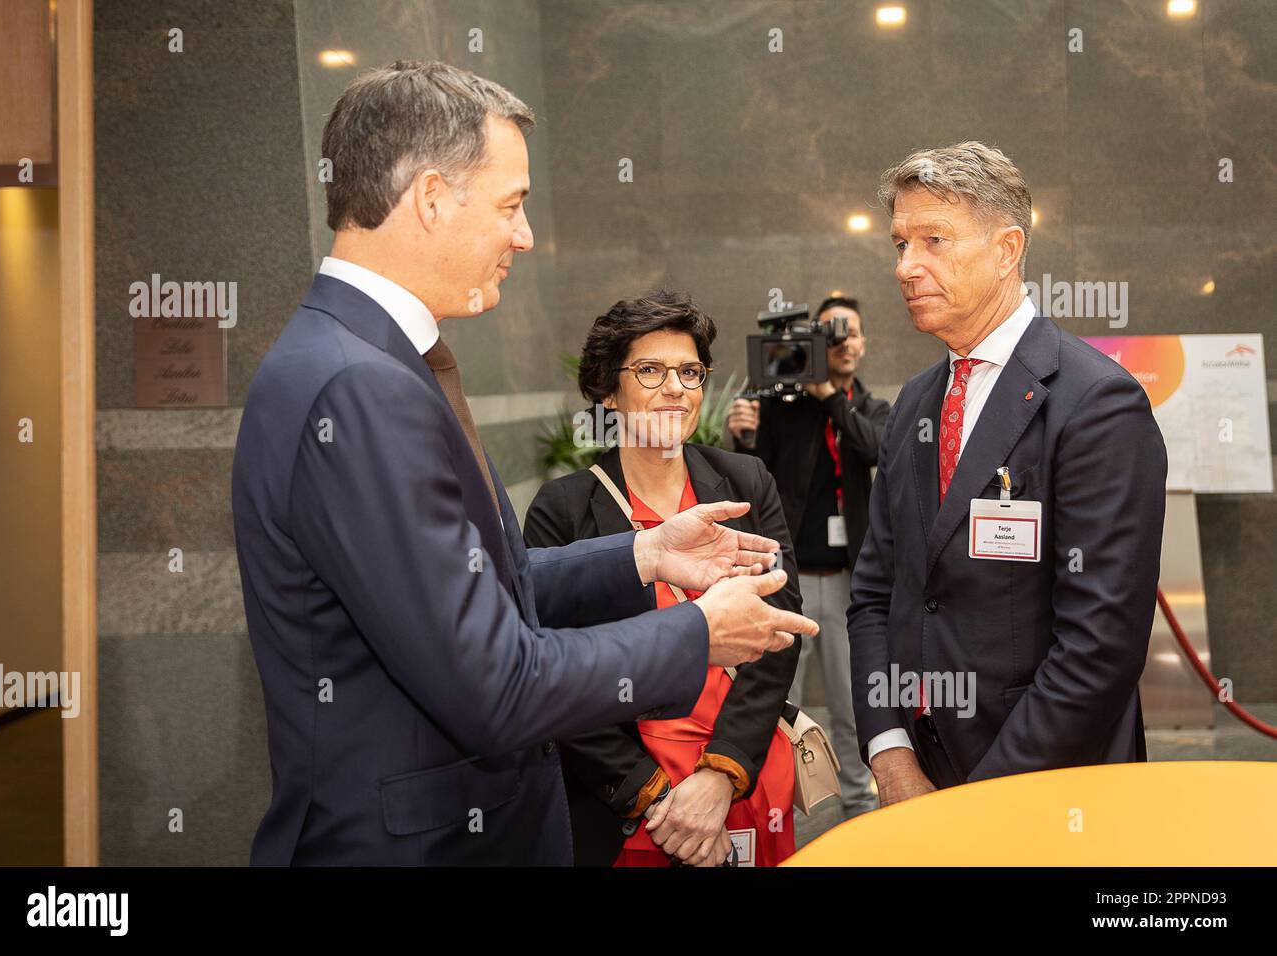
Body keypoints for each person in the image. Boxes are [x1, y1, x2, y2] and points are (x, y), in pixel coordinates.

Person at [231, 61, 816, 866]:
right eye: (512, 205)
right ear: (432, 198)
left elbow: (461, 596)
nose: (526, 236)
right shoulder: (361, 386)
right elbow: (494, 682)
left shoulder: (361, 358)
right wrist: (696, 631)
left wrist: (644, 553)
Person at [849, 142, 1167, 805]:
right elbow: (878, 594)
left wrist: (983, 804)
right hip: (919, 777)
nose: (907, 266)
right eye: (901, 244)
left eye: (934, 240)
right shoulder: (913, 403)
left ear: (1006, 250)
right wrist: (891, 752)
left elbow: (1099, 649)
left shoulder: (1096, 402)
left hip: (1047, 790)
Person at [525, 291, 802, 867]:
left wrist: (722, 774)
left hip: (742, 769)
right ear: (608, 388)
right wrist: (653, 795)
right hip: (633, 801)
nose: (674, 388)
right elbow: (549, 663)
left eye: (689, 371)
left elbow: (779, 634)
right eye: (650, 370)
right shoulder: (563, 508)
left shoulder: (744, 480)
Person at [727, 295, 890, 820]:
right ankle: (781, 808)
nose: (842, 342)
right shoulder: (784, 411)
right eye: (828, 334)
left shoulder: (873, 408)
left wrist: (827, 394)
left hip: (850, 585)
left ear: (864, 345)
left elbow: (873, 449)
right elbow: (754, 478)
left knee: (850, 704)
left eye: (851, 333)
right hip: (788, 579)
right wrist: (744, 436)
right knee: (780, 699)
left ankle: (861, 804)